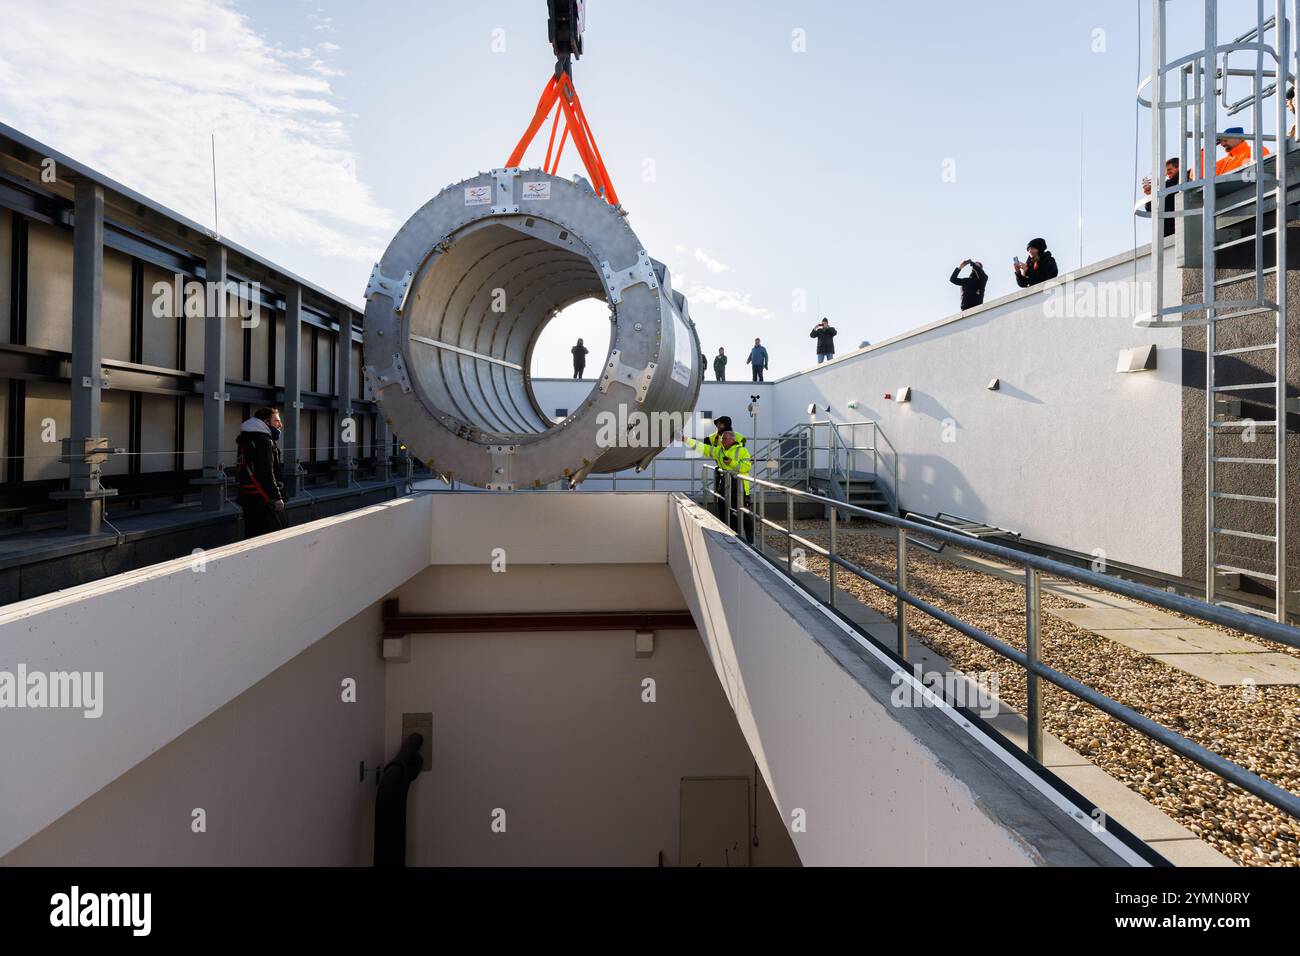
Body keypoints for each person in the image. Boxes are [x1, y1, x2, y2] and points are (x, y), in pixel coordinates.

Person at [685, 428, 753, 542]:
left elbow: (747, 466)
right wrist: (686, 440)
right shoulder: (719, 451)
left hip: (740, 487)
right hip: (726, 485)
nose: (722, 441)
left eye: (725, 439)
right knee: (727, 510)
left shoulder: (741, 451)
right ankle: (734, 535)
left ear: (732, 440)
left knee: (743, 513)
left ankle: (750, 538)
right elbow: (703, 448)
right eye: (722, 439)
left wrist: (731, 463)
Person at [236, 407, 286, 539]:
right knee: (273, 537)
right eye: (276, 421)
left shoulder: (246, 439)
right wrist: (277, 497)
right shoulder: (265, 441)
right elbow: (267, 473)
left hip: (248, 498)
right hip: (264, 500)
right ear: (266, 422)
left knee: (252, 536)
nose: (280, 425)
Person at [1199, 127, 1269, 178]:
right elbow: (1200, 177)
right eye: (1220, 141)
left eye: (1226, 140)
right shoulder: (1223, 162)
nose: (1223, 144)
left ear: (1240, 138)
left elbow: (1261, 172)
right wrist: (1204, 150)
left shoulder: (1255, 150)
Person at [1140, 157, 1181, 237]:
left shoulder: (1185, 177)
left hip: (1178, 229)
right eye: (1166, 171)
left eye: (1169, 170)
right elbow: (1151, 209)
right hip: (1168, 232)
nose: (1167, 173)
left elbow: (1172, 184)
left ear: (1179, 167)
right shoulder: (1166, 186)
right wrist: (1150, 195)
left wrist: (1156, 187)